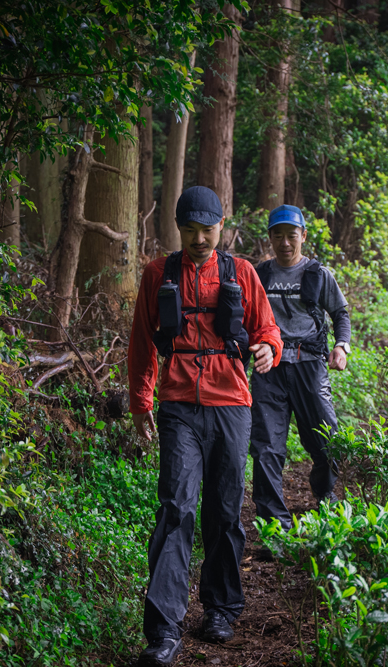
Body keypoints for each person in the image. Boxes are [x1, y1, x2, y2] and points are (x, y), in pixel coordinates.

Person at [128, 186, 284, 666]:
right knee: (175, 509)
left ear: (222, 226)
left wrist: (268, 349)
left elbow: (268, 329)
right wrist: (141, 402)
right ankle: (163, 630)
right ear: (179, 229)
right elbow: (141, 341)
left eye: (208, 230)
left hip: (232, 404)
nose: (199, 239)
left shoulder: (242, 274)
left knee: (224, 509)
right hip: (178, 406)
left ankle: (220, 609)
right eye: (190, 230)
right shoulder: (158, 274)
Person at [250, 204, 351, 536]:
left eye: (291, 236)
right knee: (266, 446)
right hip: (269, 368)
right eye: (277, 235)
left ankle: (325, 494)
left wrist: (342, 346)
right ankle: (273, 524)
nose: (285, 243)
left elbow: (340, 313)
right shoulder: (259, 275)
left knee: (327, 440)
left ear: (303, 236)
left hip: (310, 365)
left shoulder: (318, 274)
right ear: (270, 237)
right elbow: (244, 318)